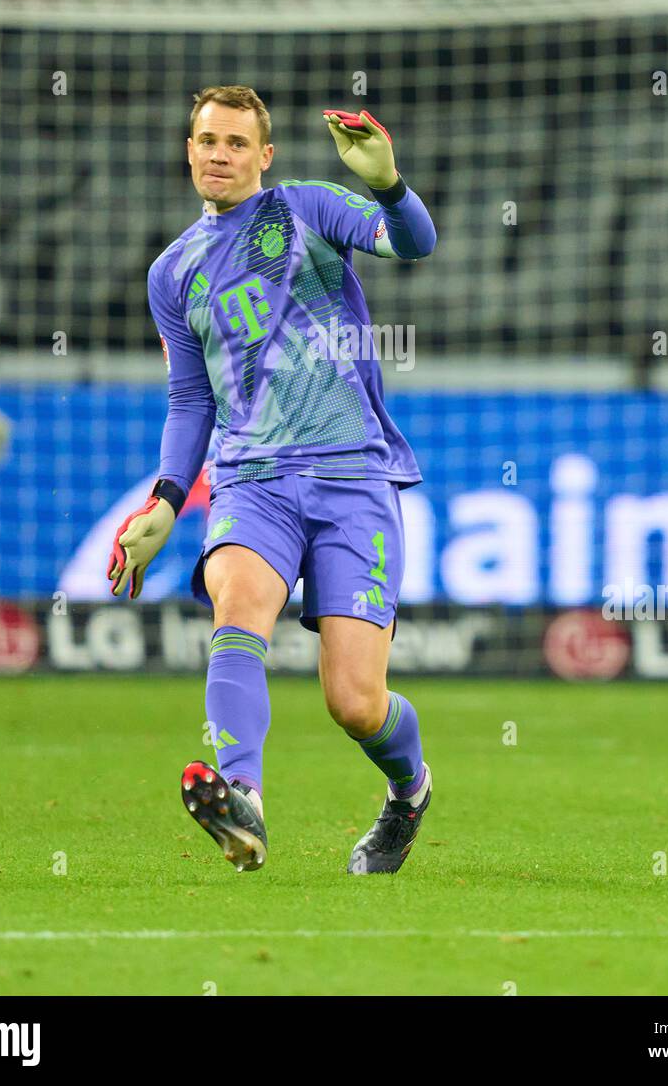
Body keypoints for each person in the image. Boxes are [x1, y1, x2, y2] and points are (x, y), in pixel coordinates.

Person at [107, 85, 437, 875]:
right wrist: (165, 496)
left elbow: (413, 243)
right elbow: (190, 396)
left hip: (352, 472)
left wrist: (388, 182)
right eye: (206, 140)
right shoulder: (171, 272)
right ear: (189, 151)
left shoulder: (309, 209)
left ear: (264, 155)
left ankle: (409, 792)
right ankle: (240, 794)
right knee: (237, 598)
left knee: (355, 703)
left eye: (234, 142)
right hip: (250, 476)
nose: (218, 153)